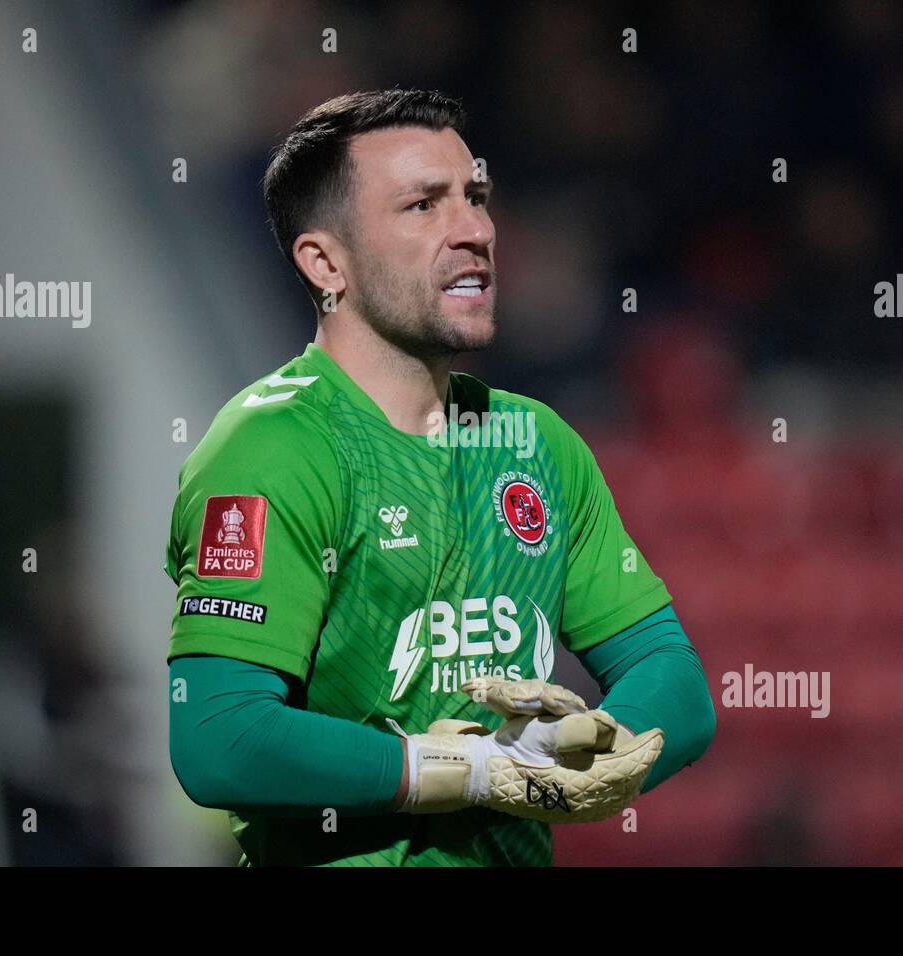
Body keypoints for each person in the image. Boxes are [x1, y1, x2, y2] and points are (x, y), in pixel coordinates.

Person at [164, 88, 716, 866]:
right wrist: (468, 770)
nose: (477, 231)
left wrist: (591, 750)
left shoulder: (535, 442)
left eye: (476, 197)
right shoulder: (270, 448)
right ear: (327, 263)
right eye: (424, 205)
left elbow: (676, 684)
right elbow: (219, 738)